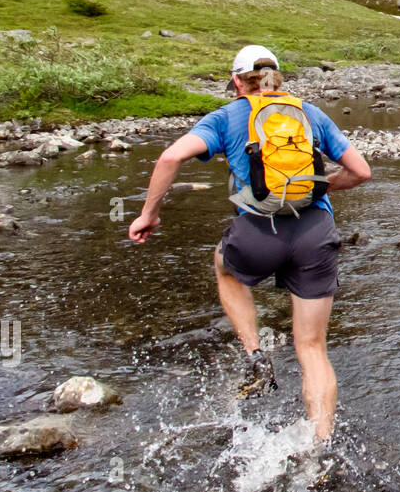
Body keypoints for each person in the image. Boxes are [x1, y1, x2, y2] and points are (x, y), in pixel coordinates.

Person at [128, 44, 371, 442]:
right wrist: (316, 188)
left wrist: (149, 213)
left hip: (258, 234)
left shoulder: (228, 115)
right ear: (277, 76)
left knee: (224, 267)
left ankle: (255, 354)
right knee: (312, 348)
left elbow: (170, 158)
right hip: (314, 234)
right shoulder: (309, 113)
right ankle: (320, 448)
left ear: (238, 81)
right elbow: (361, 172)